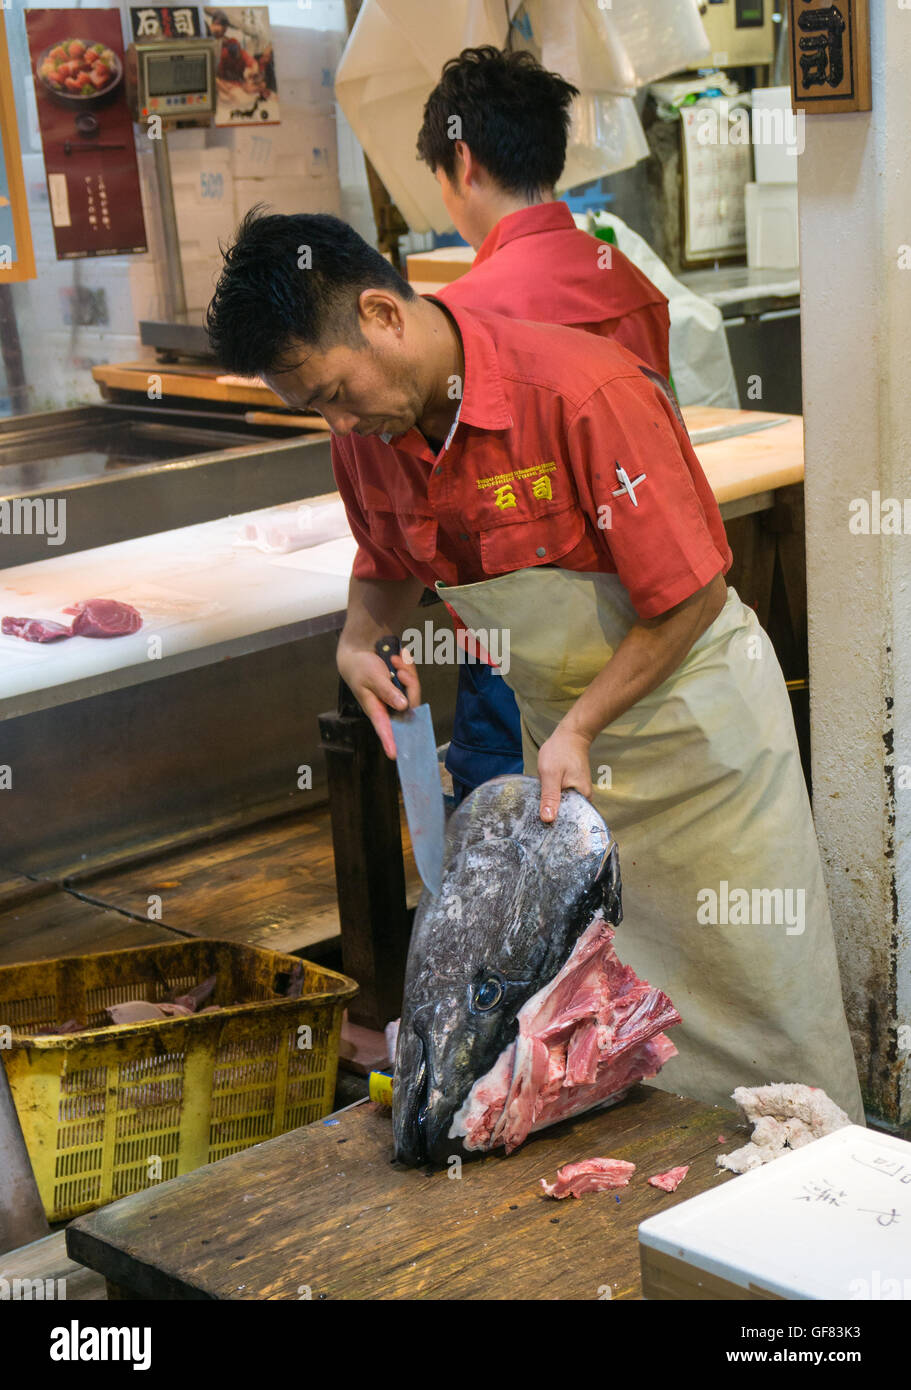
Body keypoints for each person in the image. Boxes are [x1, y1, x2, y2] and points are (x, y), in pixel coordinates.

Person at [206, 211, 865, 1123]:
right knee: (604, 1027)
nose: (337, 421)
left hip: (698, 744)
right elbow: (390, 561)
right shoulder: (366, 432)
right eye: (314, 408)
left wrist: (583, 724)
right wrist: (358, 638)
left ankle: (811, 1209)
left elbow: (689, 596)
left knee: (763, 1007)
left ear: (381, 314)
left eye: (333, 391)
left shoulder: (581, 393)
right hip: (565, 752)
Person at [416, 47, 672, 804]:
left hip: (517, 654)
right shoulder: (627, 283)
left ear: (461, 160)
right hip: (641, 637)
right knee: (620, 865)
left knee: (513, 874)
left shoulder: (457, 319)